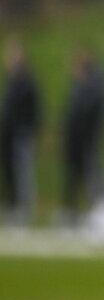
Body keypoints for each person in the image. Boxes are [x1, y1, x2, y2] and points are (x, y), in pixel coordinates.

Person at [62, 49, 104, 222]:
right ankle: (72, 210)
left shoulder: (94, 89)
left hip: (89, 141)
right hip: (77, 143)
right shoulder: (79, 89)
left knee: (94, 177)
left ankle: (99, 212)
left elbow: (88, 117)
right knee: (75, 177)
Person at [1, 39, 41, 227]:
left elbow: (34, 110)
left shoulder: (27, 82)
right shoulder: (11, 82)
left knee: (24, 171)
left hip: (22, 134)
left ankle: (26, 209)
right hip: (8, 136)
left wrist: (30, 130)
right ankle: (13, 206)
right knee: (12, 172)